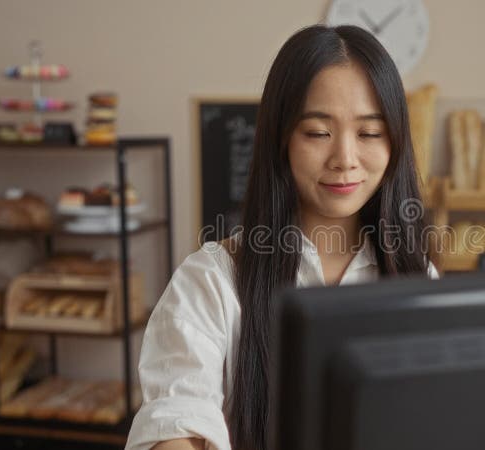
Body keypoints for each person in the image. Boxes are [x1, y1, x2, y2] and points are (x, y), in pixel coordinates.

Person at [125, 24, 438, 450]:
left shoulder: (418, 278)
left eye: (369, 133)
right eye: (317, 133)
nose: (345, 159)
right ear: (281, 139)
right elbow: (177, 421)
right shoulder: (212, 281)